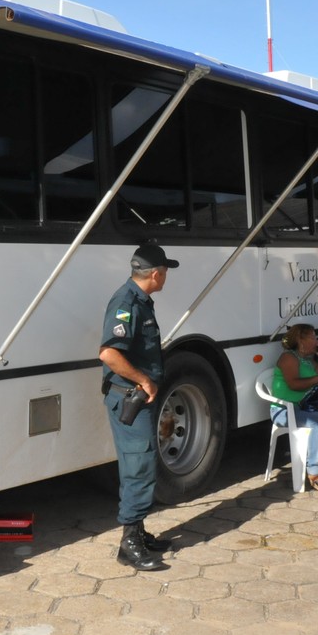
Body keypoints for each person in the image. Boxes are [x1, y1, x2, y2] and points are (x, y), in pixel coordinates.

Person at [98, 243, 178, 571]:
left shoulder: (141, 301)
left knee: (143, 462)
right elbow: (109, 354)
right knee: (139, 465)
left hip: (136, 396)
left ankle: (140, 532)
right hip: (129, 397)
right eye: (166, 271)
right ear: (156, 274)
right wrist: (144, 381)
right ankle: (129, 543)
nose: (166, 276)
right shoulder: (126, 302)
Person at [269, 324, 318, 492]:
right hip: (284, 411)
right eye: (312, 337)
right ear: (300, 340)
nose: (316, 341)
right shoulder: (288, 358)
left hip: (306, 407)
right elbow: (293, 385)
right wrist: (317, 378)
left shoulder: (310, 360)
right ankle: (313, 471)